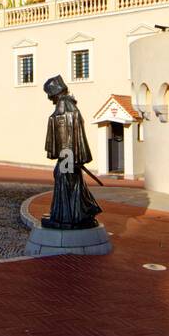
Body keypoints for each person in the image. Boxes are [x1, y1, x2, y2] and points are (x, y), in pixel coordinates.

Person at [41, 75, 102, 230]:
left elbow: (66, 137)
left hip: (67, 154)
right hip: (70, 155)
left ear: (56, 92)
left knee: (65, 180)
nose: (50, 99)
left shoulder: (64, 108)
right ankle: (70, 215)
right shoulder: (69, 106)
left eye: (50, 95)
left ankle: (68, 218)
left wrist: (68, 156)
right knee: (68, 180)